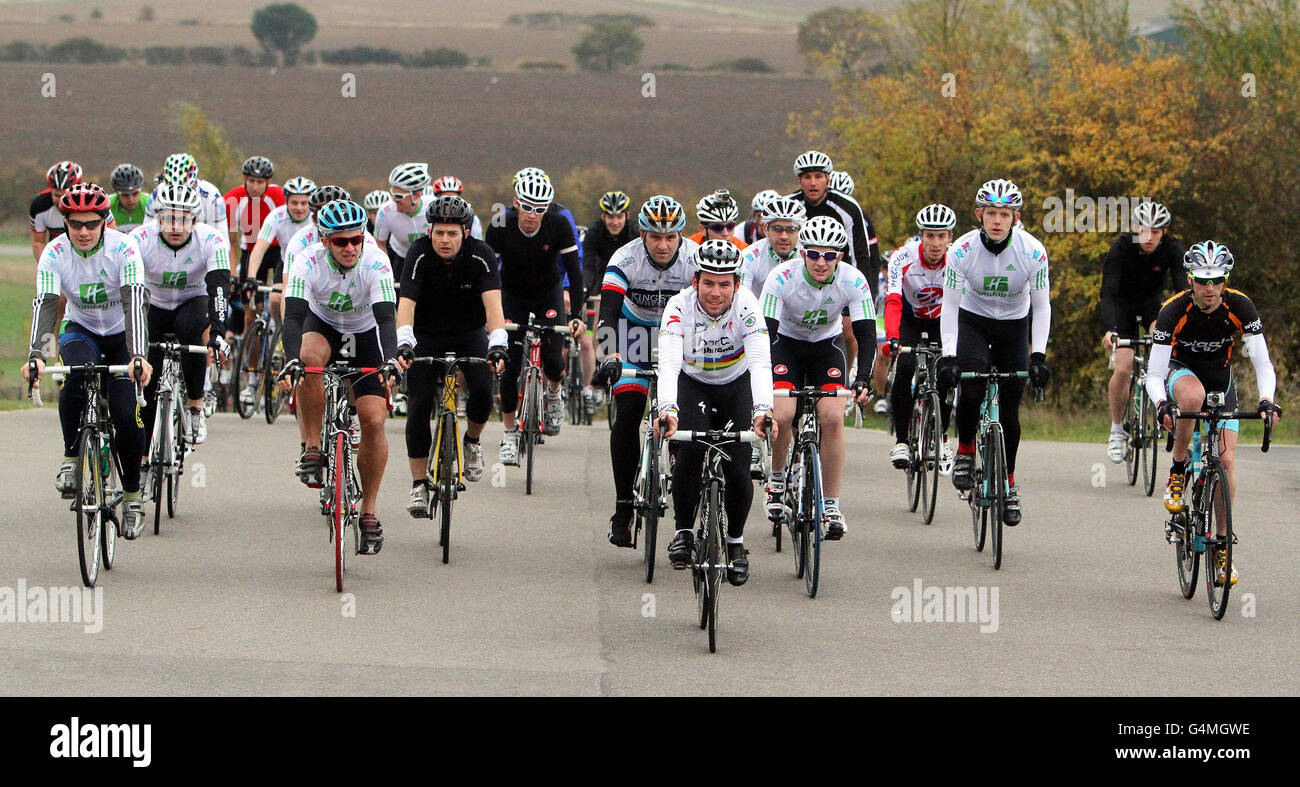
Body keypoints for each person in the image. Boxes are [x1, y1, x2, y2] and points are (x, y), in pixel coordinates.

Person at [23, 183, 152, 539]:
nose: (83, 231)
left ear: (104, 222)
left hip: (123, 332)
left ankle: (132, 496)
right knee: (76, 375)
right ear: (64, 222)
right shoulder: (54, 253)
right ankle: (70, 458)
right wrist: (36, 355)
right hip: (80, 328)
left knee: (127, 415)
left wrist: (139, 354)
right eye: (75, 224)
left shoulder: (124, 249)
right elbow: (46, 304)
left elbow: (135, 301)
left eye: (91, 224)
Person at [1148, 241, 1281, 584]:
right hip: (1181, 372)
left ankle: (1222, 546)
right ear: (1190, 279)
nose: (1210, 288)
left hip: (1221, 380)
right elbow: (1154, 373)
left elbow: (1262, 363)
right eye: (1202, 280)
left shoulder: (1240, 306)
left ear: (1225, 280)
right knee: (1193, 397)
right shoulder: (1173, 311)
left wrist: (1267, 400)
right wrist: (1162, 403)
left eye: (1217, 280)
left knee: (1226, 461)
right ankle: (1178, 471)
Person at [279, 200, 400, 555]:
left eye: (356, 240)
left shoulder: (376, 261)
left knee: (374, 420)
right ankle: (314, 448)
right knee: (309, 359)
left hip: (366, 334)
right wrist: (290, 362)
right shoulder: (307, 261)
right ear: (324, 240)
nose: (350, 248)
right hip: (324, 326)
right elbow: (293, 318)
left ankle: (369, 512)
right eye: (340, 242)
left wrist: (390, 360)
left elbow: (387, 319)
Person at [657, 240, 774, 585]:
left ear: (737, 285)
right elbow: (668, 364)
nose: (716, 292)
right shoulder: (679, 307)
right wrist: (668, 410)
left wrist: (763, 410)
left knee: (738, 468)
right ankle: (683, 530)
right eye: (708, 283)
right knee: (691, 450)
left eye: (725, 284)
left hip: (735, 386)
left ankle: (736, 543)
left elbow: (760, 363)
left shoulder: (748, 307)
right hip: (693, 384)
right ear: (695, 282)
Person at [938, 179, 1052, 527]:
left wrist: (1038, 358)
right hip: (973, 321)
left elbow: (1042, 307)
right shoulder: (960, 250)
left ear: (1016, 217)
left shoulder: (1033, 252)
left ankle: (1010, 482)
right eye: (991, 214)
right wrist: (948, 355)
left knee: (1011, 408)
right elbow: (950, 306)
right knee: (972, 382)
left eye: (1005, 214)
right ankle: (966, 448)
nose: (998, 221)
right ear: (979, 215)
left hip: (1014, 326)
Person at [761, 216, 875, 539]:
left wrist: (863, 378)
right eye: (813, 254)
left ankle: (832, 503)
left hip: (827, 346)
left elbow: (866, 336)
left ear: (840, 256)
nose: (821, 262)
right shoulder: (780, 278)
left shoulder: (854, 281)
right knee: (783, 414)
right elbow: (764, 335)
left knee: (833, 418)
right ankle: (778, 478)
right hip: (785, 345)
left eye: (829, 255)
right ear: (802, 253)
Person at [595, 195, 699, 546]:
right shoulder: (624, 258)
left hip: (678, 336)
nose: (663, 244)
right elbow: (607, 314)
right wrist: (608, 354)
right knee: (628, 411)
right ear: (642, 233)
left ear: (682, 235)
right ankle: (623, 507)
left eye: (671, 237)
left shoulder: (693, 261)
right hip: (632, 335)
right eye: (655, 236)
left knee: (686, 420)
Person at [395, 195, 509, 515]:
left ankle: (471, 442)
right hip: (426, 335)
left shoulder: (482, 256)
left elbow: (494, 310)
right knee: (417, 405)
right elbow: (406, 305)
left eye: (452, 233)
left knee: (484, 389)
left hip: (469, 333)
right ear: (429, 231)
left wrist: (498, 343)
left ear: (466, 233)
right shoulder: (417, 254)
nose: (445, 240)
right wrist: (404, 342)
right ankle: (419, 485)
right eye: (439, 232)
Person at [485, 174, 584, 458]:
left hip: (547, 293)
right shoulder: (499, 225)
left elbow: (574, 273)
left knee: (554, 358)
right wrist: (489, 312)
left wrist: (576, 314)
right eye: (527, 207)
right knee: (509, 362)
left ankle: (553, 393)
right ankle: (508, 434)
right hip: (512, 294)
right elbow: (487, 272)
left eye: (540, 209)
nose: (532, 215)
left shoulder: (559, 224)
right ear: (515, 203)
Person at [134, 184, 232, 447]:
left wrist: (218, 333)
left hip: (193, 300)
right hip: (154, 303)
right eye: (169, 219)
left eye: (183, 219)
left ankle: (195, 407)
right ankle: (146, 459)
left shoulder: (211, 240)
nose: (176, 227)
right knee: (149, 371)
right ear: (158, 219)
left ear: (195, 220)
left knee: (190, 331)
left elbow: (219, 289)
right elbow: (126, 288)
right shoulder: (139, 239)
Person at [1100, 200, 1185, 462]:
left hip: (1153, 305)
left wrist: (1183, 328)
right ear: (1136, 229)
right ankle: (1116, 429)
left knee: (1165, 339)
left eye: (1155, 232)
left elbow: (1182, 291)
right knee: (1123, 367)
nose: (1149, 238)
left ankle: (1164, 409)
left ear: (1164, 233)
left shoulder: (1172, 249)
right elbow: (1108, 293)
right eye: (1144, 231)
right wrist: (1110, 330)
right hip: (1122, 306)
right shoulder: (1121, 248)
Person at [884, 205, 956, 472]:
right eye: (930, 236)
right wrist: (893, 338)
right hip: (909, 317)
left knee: (948, 374)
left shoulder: (959, 259)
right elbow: (892, 301)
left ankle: (942, 435)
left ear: (950, 237)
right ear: (920, 236)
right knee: (904, 368)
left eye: (942, 236)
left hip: (943, 318)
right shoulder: (902, 257)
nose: (935, 243)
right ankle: (902, 440)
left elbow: (966, 304)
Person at [578, 190, 635, 414]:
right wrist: (585, 288)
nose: (614, 221)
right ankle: (597, 374)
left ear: (627, 216)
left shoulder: (633, 232)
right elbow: (589, 265)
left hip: (632, 283)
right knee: (599, 327)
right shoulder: (594, 232)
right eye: (610, 217)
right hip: (606, 283)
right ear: (603, 217)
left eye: (619, 217)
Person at [224, 156, 284, 297]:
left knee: (279, 295)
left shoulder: (279, 196)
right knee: (249, 305)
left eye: (260, 182)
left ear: (268, 182)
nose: (255, 187)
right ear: (244, 178)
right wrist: (232, 274)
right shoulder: (232, 200)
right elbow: (230, 242)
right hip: (251, 250)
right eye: (251, 181)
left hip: (278, 250)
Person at [145, 153, 229, 237]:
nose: (178, 200)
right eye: (172, 193)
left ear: (194, 184)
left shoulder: (213, 198)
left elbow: (222, 238)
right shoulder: (156, 194)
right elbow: (147, 234)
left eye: (186, 194)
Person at [738, 196, 805, 299]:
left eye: (791, 229)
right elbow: (741, 299)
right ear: (765, 230)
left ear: (799, 231)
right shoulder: (748, 257)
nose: (784, 236)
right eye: (777, 229)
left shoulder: (809, 256)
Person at [374, 163, 431, 281]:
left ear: (416, 195)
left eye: (399, 196)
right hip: (401, 257)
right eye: (392, 194)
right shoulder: (385, 212)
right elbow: (380, 244)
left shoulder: (432, 207)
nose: (394, 200)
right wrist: (383, 272)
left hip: (431, 257)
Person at [30, 160, 84, 260]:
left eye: (65, 195)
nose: (61, 201)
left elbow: (111, 237)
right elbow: (38, 242)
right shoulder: (40, 206)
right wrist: (46, 267)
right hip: (59, 257)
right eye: (57, 195)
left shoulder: (92, 201)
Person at [430, 175, 484, 239]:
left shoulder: (472, 220)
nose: (449, 202)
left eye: (453, 198)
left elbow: (478, 243)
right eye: (445, 198)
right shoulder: (429, 217)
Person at [108, 164, 150, 233]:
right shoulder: (107, 207)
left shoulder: (150, 204)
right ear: (117, 193)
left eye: (135, 193)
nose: (131, 200)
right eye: (125, 195)